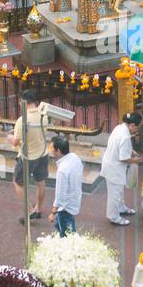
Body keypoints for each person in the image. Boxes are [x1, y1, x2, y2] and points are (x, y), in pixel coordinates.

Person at [12, 90, 50, 224]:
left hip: (28, 156)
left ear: (22, 102)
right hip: (43, 153)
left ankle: (30, 210)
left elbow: (16, 142)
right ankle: (38, 209)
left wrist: (9, 137)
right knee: (40, 182)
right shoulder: (43, 115)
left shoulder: (22, 120)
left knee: (18, 182)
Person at [101, 111, 143, 226]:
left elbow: (122, 147)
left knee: (119, 191)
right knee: (114, 194)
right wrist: (136, 161)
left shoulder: (119, 127)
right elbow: (124, 158)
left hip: (111, 163)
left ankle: (121, 208)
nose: (137, 130)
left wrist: (132, 152)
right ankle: (114, 217)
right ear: (132, 125)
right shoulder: (125, 136)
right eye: (137, 127)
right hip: (114, 168)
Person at [49, 135, 84, 237]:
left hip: (65, 208)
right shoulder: (75, 158)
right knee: (62, 229)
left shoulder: (62, 170)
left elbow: (60, 195)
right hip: (74, 201)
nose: (50, 150)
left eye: (52, 148)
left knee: (67, 237)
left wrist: (53, 212)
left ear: (58, 150)